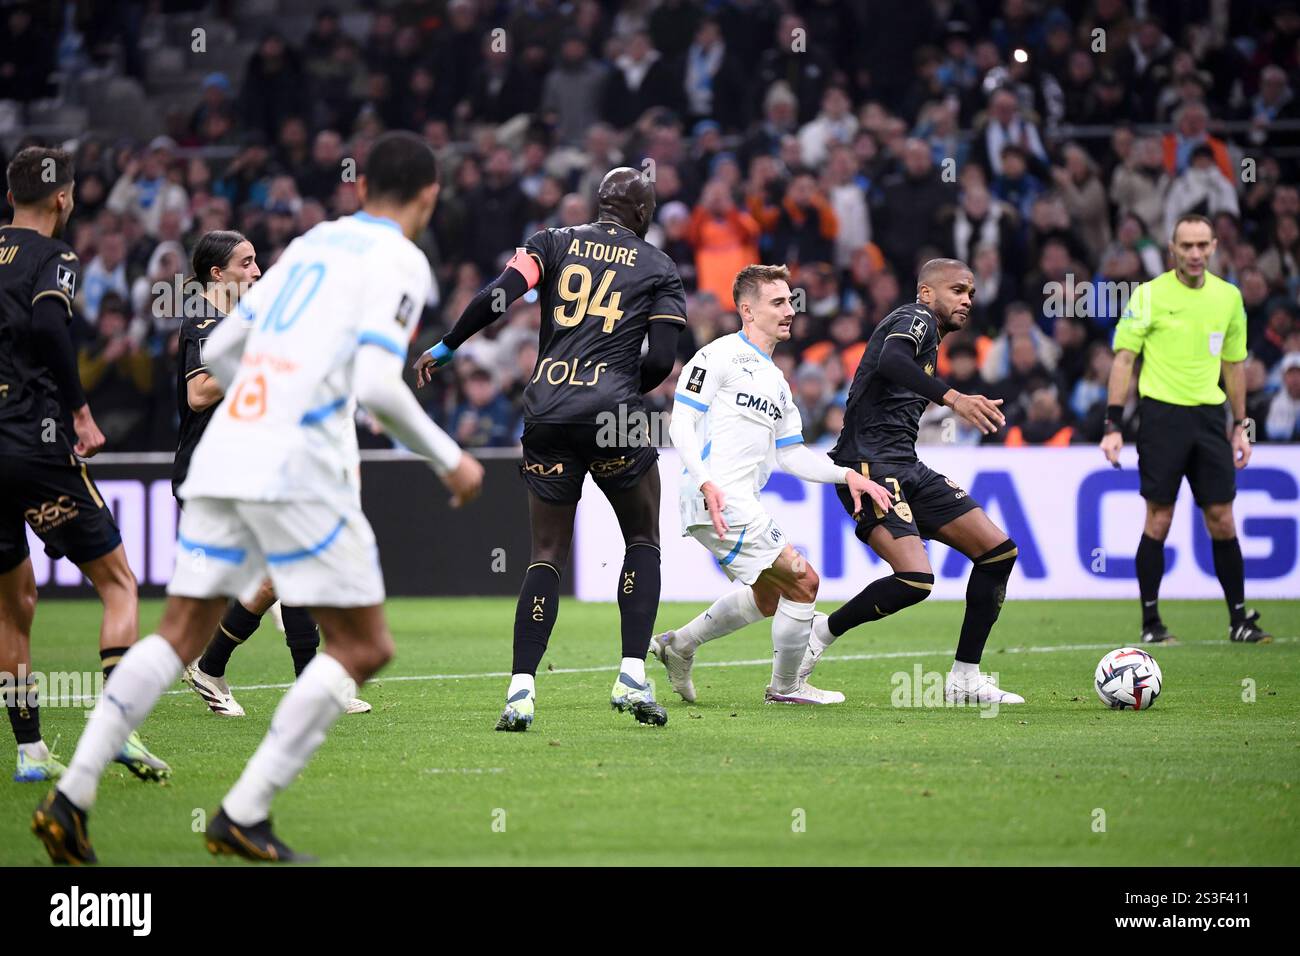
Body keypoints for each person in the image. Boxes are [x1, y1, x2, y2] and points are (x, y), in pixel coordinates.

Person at [33, 131, 484, 864]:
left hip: (228, 450)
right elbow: (375, 383)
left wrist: (267, 395)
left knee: (178, 631)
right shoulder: (402, 259)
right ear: (429, 195)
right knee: (365, 644)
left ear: (362, 184)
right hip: (299, 462)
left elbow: (218, 354)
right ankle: (243, 812)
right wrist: (451, 459)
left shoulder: (309, 245)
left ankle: (72, 796)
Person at [416, 168, 686, 732]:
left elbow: (498, 297)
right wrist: (618, 390)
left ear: (598, 203)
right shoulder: (658, 267)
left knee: (545, 555)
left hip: (546, 412)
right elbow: (662, 359)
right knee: (641, 539)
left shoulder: (552, 241)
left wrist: (446, 346)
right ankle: (632, 674)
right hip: (613, 416)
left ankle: (520, 691)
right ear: (643, 214)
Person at [0, 146, 169, 785]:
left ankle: (30, 753)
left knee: (12, 606)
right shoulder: (55, 257)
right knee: (119, 583)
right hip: (34, 442)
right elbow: (48, 323)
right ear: (63, 199)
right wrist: (79, 411)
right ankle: (116, 733)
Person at [650, 264, 893, 704]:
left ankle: (679, 644)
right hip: (717, 497)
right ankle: (786, 688)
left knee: (768, 596)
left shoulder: (778, 383)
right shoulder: (716, 355)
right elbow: (680, 423)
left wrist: (847, 475)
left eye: (791, 301)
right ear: (747, 310)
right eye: (778, 302)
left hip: (736, 498)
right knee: (804, 581)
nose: (789, 310)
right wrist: (705, 483)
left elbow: (792, 455)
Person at [805, 258, 1027, 705]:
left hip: (905, 465)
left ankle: (965, 679)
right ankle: (822, 631)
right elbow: (890, 359)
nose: (967, 299)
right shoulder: (916, 318)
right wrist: (953, 397)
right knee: (914, 579)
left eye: (971, 293)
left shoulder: (929, 333)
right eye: (958, 290)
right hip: (866, 468)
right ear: (927, 292)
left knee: (998, 552)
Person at [173, 230, 370, 717]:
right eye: (246, 263)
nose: (256, 271)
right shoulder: (204, 318)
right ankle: (214, 666)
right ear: (216, 275)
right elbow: (200, 394)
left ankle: (268, 677)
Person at [1101, 214, 1271, 645]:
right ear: (1172, 248)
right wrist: (1114, 425)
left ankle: (1239, 620)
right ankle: (1152, 624)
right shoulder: (1149, 295)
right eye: (1186, 246)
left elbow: (1233, 365)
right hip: (1161, 417)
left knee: (1223, 519)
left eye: (1202, 245)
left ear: (1214, 246)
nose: (1195, 254)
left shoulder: (1228, 298)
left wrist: (1241, 427)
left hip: (1211, 419)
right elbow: (1124, 360)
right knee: (1159, 518)